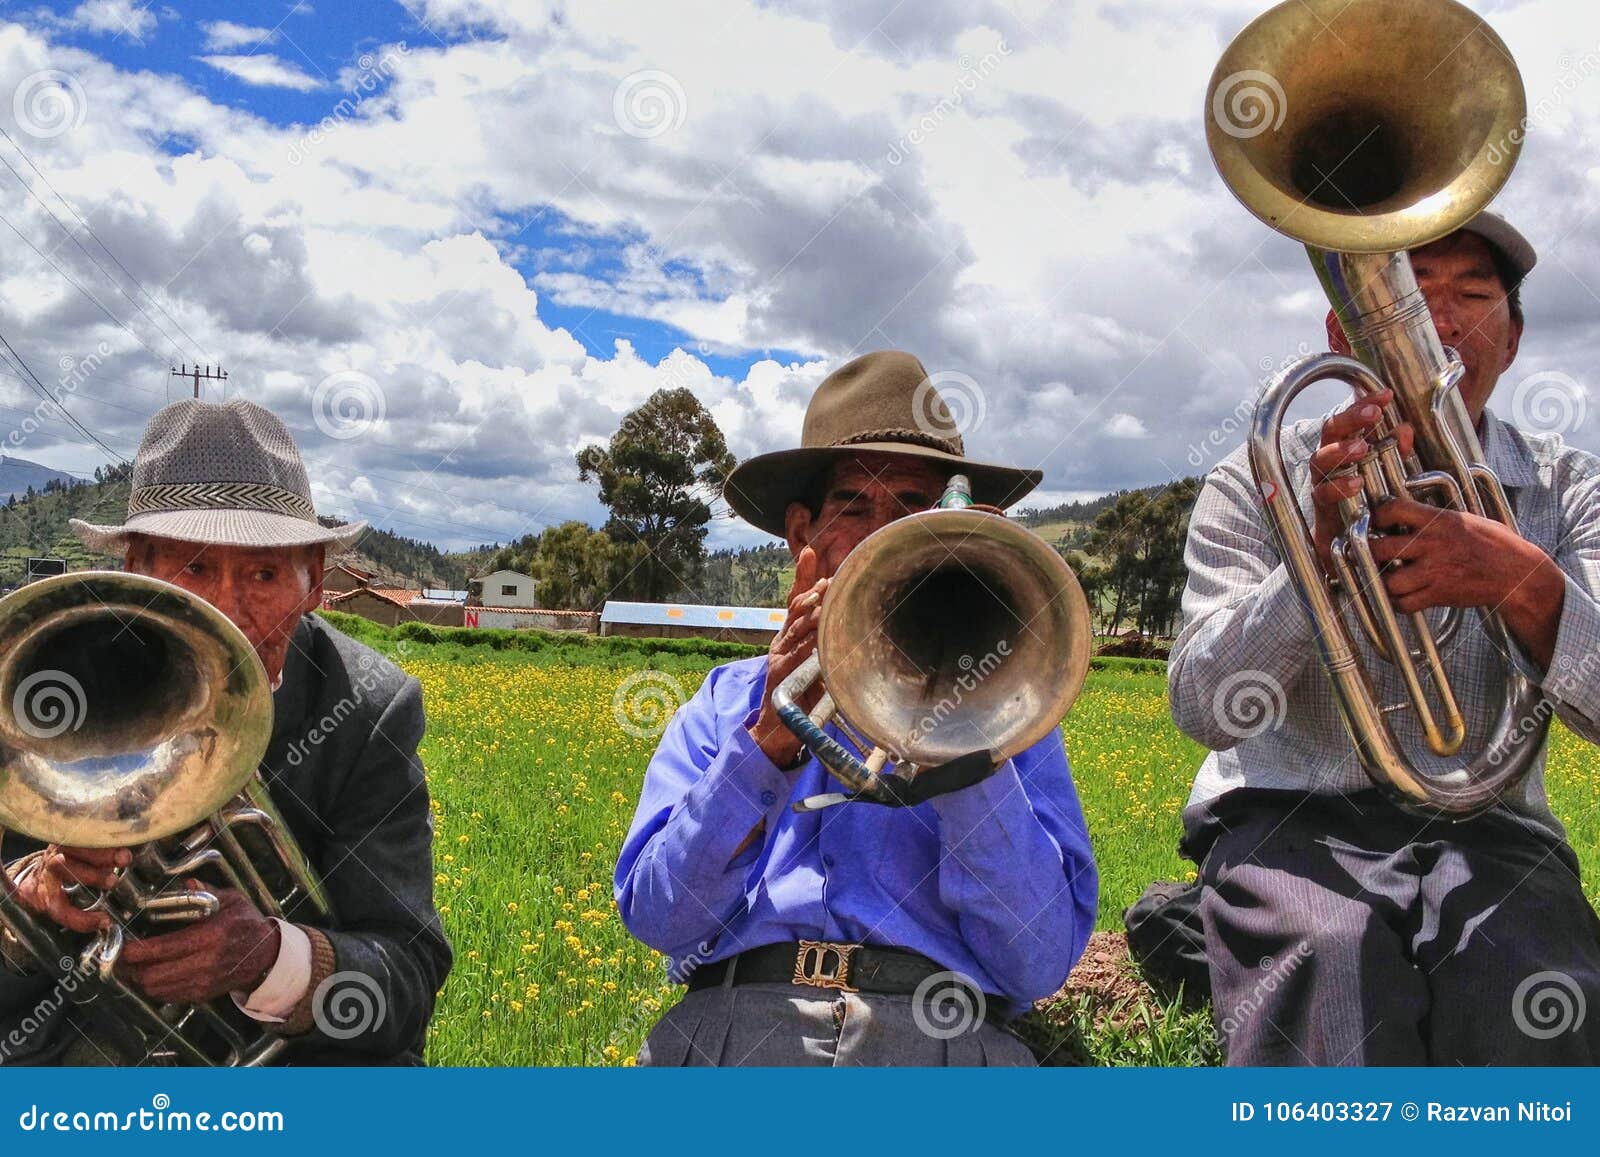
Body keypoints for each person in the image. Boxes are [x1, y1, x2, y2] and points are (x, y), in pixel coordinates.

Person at [1171, 211, 1600, 1064]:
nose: (1438, 324)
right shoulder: (1252, 477)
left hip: (1497, 831)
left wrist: (1523, 581)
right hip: (1292, 820)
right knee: (1328, 958)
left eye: (1473, 296)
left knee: (1532, 988)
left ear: (1511, 340)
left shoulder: (1570, 486)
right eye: (1408, 294)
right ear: (1342, 331)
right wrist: (1317, 562)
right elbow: (1202, 705)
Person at [615, 350, 1097, 1066]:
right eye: (854, 504)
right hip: (736, 1031)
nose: (882, 532)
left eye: (912, 508)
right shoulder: (726, 700)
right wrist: (767, 745)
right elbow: (660, 914)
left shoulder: (1011, 710)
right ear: (802, 533)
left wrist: (964, 745)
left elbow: (1037, 962)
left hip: (943, 1042)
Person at [0, 398, 452, 1065]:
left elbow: (407, 977)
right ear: (134, 568)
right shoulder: (40, 675)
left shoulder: (367, 708)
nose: (227, 611)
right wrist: (27, 898)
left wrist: (272, 958)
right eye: (194, 567)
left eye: (264, 573)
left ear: (313, 583)